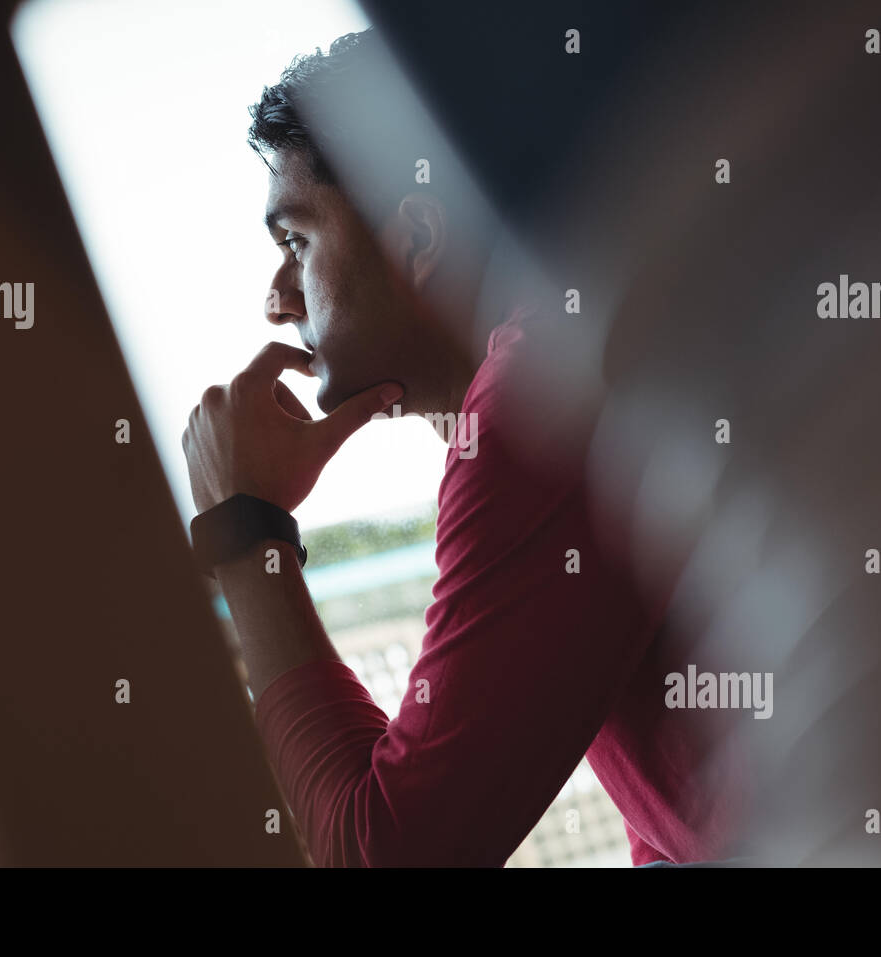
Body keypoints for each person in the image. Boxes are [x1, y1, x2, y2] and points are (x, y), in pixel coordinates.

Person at [181, 29, 748, 866]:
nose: (276, 299)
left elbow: (387, 855)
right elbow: (675, 809)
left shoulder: (529, 406)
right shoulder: (558, 361)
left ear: (415, 240)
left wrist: (245, 529)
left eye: (296, 242)